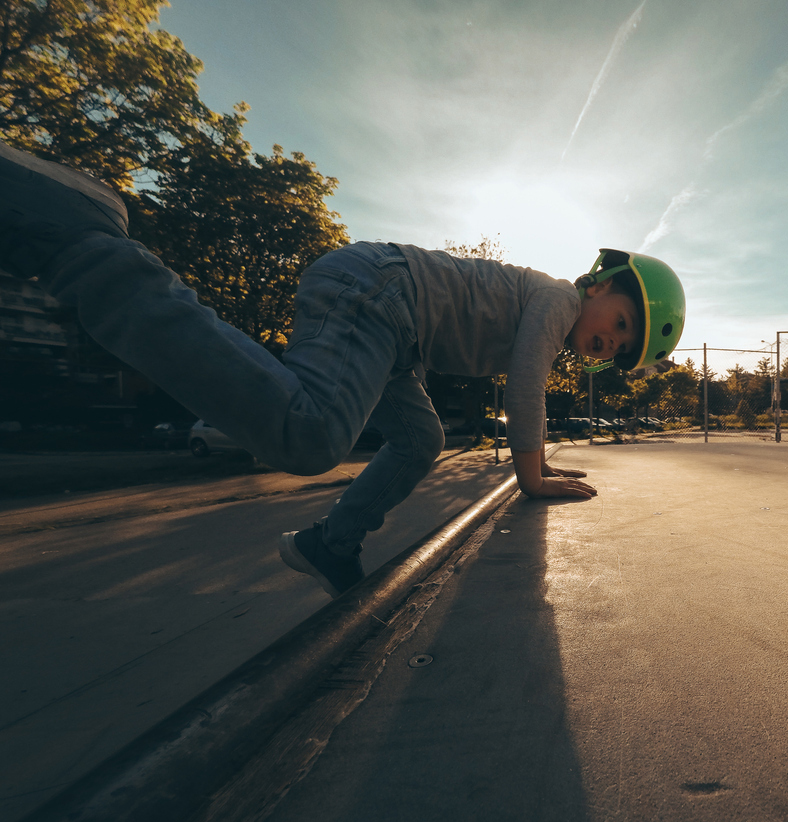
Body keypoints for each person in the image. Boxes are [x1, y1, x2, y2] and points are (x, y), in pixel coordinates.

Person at [0, 142, 686, 596]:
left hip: (396, 339)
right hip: (377, 292)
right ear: (601, 284)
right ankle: (90, 250)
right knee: (311, 433)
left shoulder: (557, 309)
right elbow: (527, 380)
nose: (607, 343)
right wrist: (532, 477)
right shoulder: (558, 299)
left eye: (619, 352)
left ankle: (330, 543)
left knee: (420, 439)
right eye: (619, 324)